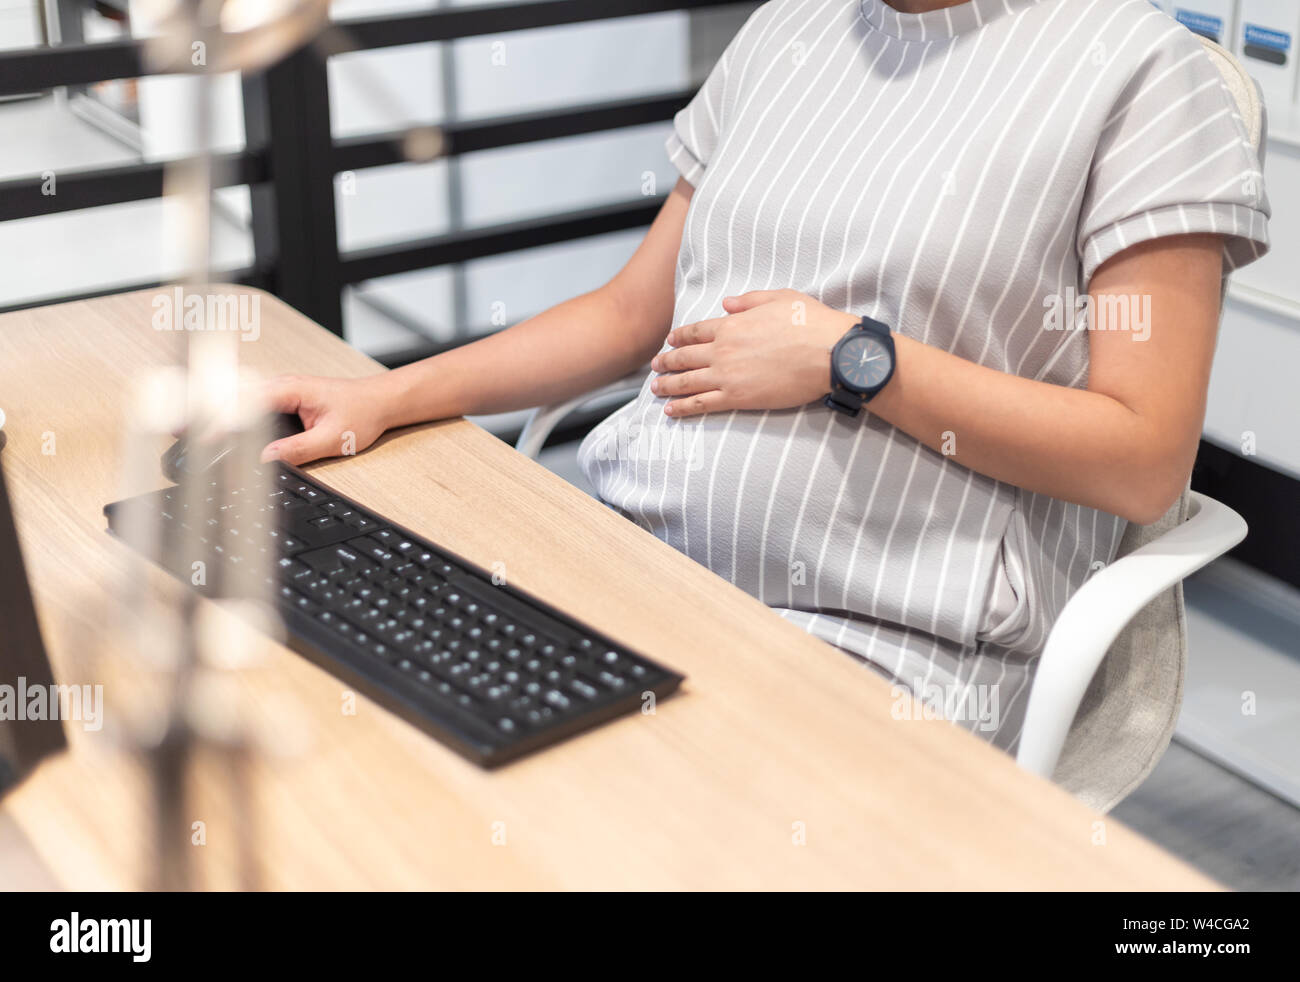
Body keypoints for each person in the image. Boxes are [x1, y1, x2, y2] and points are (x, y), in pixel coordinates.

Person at [260, 0, 1270, 751]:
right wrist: (388, 395)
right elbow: (628, 313)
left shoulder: (1142, 78)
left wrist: (852, 361)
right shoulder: (793, 27)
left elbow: (1142, 456)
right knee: (343, 719)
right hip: (632, 559)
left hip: (881, 643)